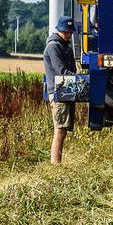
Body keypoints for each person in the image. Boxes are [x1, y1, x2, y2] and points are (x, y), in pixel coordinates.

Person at [43, 16, 77, 165]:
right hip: (58, 93)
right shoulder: (54, 46)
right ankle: (55, 165)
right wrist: (79, 79)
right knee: (59, 129)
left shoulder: (64, 45)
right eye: (66, 31)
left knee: (62, 130)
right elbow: (61, 71)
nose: (68, 34)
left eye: (70, 32)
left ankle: (57, 163)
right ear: (59, 30)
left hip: (65, 92)